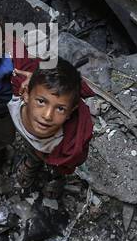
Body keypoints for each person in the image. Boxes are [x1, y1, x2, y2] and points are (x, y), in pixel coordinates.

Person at [9, 56, 94, 187]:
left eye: (60, 108)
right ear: (26, 94)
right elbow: (11, 43)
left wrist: (56, 163)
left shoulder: (70, 140)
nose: (48, 116)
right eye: (41, 101)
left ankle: (56, 175)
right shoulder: (15, 94)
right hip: (32, 142)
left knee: (58, 165)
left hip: (52, 149)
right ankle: (33, 162)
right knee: (32, 150)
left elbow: (75, 159)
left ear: (71, 111)